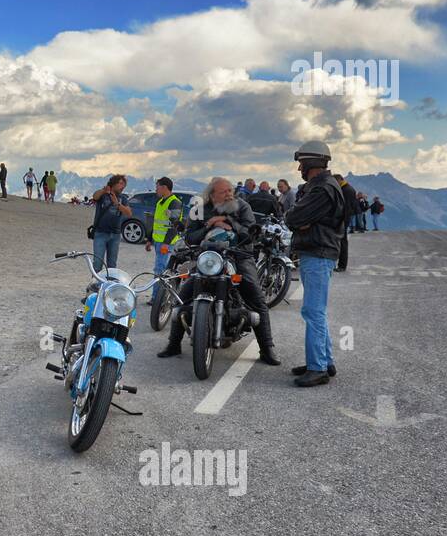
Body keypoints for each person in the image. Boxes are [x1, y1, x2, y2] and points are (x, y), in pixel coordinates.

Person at [157, 176, 281, 367]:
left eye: (230, 190)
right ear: (212, 194)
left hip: (238, 255)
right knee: (183, 295)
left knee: (256, 298)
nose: (229, 194)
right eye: (224, 192)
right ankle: (173, 344)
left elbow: (249, 234)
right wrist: (210, 224)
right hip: (207, 257)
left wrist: (227, 221)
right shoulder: (199, 208)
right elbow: (190, 237)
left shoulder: (242, 206)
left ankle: (266, 349)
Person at [284, 140, 346, 387]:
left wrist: (297, 219)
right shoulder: (323, 186)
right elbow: (298, 218)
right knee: (316, 310)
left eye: (301, 163)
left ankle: (317, 368)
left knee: (313, 311)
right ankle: (324, 361)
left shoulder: (321, 189)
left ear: (311, 162)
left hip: (318, 253)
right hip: (318, 251)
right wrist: (300, 220)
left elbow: (293, 217)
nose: (299, 168)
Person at [145, 177, 183, 298]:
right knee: (160, 269)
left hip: (166, 243)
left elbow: (174, 225)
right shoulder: (161, 202)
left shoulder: (174, 202)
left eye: (157, 187)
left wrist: (166, 243)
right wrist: (149, 240)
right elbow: (156, 223)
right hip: (158, 242)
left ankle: (157, 298)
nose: (156, 189)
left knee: (160, 270)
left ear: (164, 187)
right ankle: (158, 296)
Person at [91, 175, 131, 273]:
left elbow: (129, 213)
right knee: (97, 263)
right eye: (120, 183)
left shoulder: (123, 198)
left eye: (124, 184)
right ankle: (95, 285)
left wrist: (117, 204)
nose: (123, 186)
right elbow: (95, 196)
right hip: (101, 233)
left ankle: (110, 285)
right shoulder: (103, 195)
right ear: (113, 183)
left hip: (115, 234)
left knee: (112, 265)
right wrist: (103, 190)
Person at [334, 173, 356, 269]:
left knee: (342, 242)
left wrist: (341, 220)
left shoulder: (346, 190)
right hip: (345, 218)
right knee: (341, 241)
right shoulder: (348, 188)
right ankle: (341, 264)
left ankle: (342, 265)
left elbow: (346, 207)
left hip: (344, 218)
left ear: (339, 180)